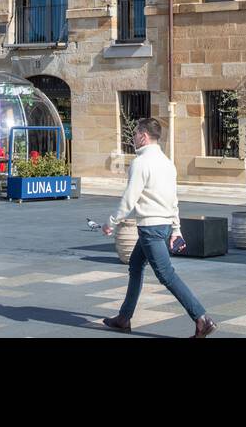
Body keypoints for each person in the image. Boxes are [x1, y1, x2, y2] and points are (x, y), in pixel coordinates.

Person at [101, 117, 217, 337]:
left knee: (166, 275)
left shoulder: (140, 162)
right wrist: (176, 229)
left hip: (150, 228)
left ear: (144, 136)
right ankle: (124, 318)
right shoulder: (167, 162)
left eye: (135, 133)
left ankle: (201, 318)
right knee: (135, 265)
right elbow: (173, 199)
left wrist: (111, 223)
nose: (133, 137)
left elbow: (129, 198)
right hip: (163, 226)